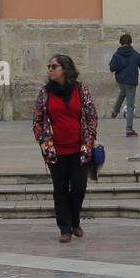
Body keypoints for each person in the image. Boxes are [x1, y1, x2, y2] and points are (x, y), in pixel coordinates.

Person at [32, 54, 99, 243]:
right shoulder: (45, 93)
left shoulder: (81, 90)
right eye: (49, 66)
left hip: (80, 149)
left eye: (54, 66)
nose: (50, 69)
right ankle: (65, 228)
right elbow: (37, 120)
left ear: (65, 69)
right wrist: (43, 141)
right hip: (55, 151)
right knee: (60, 189)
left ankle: (75, 220)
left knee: (78, 188)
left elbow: (91, 116)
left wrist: (90, 137)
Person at [107, 33, 140, 137]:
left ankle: (115, 111)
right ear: (130, 42)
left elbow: (112, 68)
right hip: (131, 81)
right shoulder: (135, 54)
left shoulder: (116, 55)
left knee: (122, 92)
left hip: (121, 81)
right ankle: (129, 129)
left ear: (121, 43)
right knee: (130, 105)